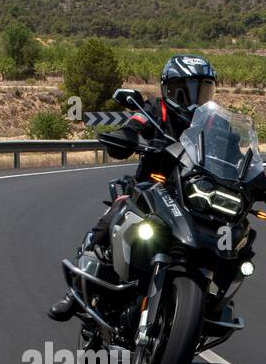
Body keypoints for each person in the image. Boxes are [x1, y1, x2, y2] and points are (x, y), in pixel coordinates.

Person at [48, 55, 219, 321]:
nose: (193, 99)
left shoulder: (213, 124)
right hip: (150, 188)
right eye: (185, 90)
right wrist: (125, 136)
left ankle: (209, 305)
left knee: (231, 238)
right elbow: (135, 124)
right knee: (111, 218)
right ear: (168, 89)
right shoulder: (154, 110)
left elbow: (233, 153)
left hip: (194, 198)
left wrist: (264, 184)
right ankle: (75, 294)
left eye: (202, 90)